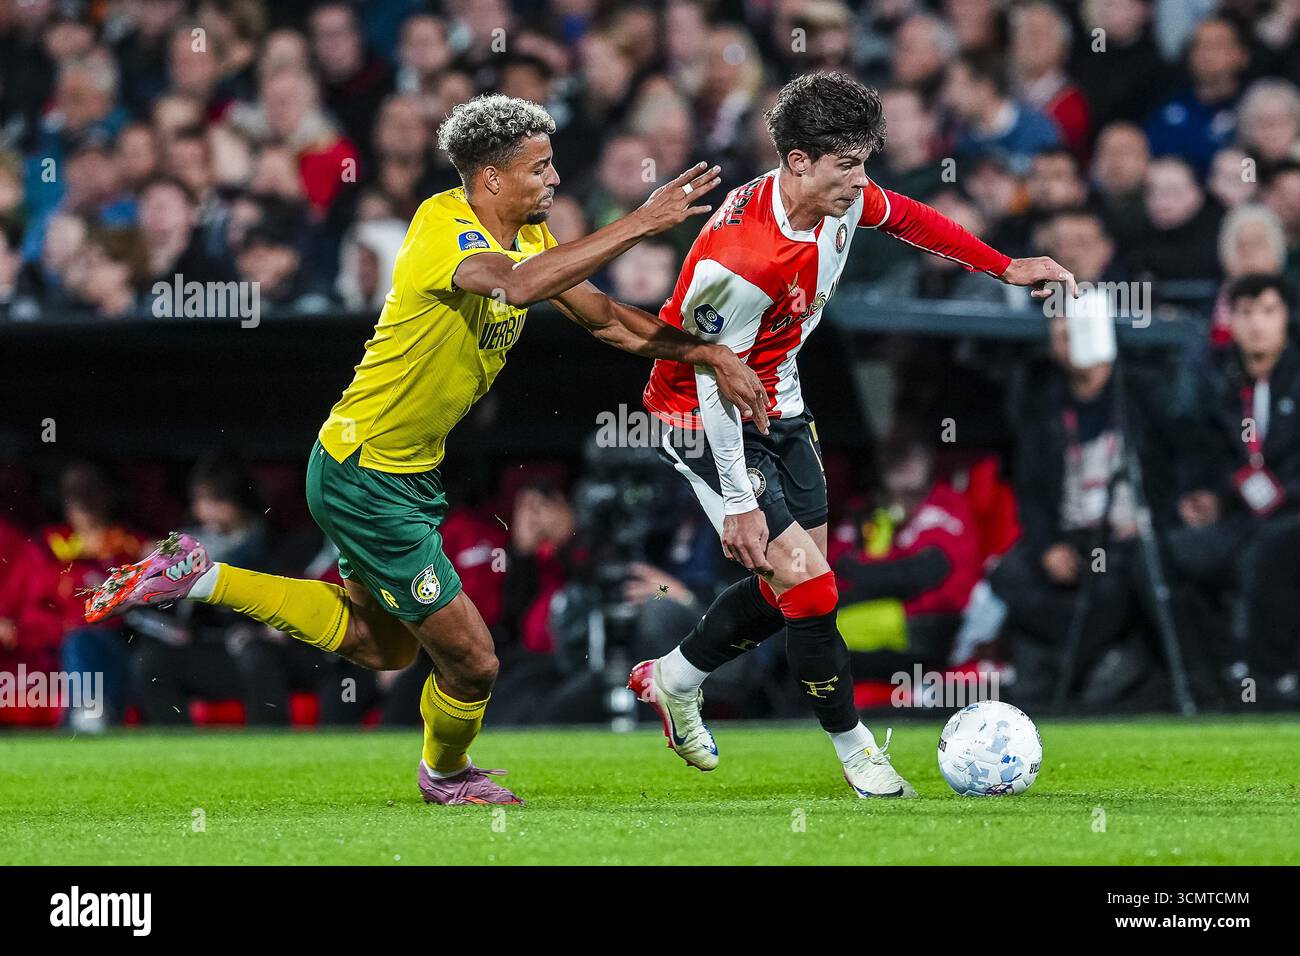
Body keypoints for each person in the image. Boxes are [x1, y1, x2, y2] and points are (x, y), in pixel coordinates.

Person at [81, 93, 768, 805]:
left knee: (385, 647)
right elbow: (516, 287)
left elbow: (610, 323)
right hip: (365, 471)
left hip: (391, 471)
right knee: (472, 663)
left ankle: (198, 577)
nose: (555, 179)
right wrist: (643, 220)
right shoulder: (447, 228)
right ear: (492, 178)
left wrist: (707, 353)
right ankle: (444, 777)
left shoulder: (528, 237)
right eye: (540, 168)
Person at [628, 72, 1076, 798]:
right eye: (848, 165)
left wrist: (1005, 267)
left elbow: (912, 218)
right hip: (699, 415)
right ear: (797, 162)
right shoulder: (738, 260)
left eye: (865, 161)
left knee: (798, 590)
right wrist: (739, 499)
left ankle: (674, 679)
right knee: (809, 587)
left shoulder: (838, 198)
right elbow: (709, 378)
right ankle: (857, 751)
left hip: (779, 401)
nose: (862, 182)